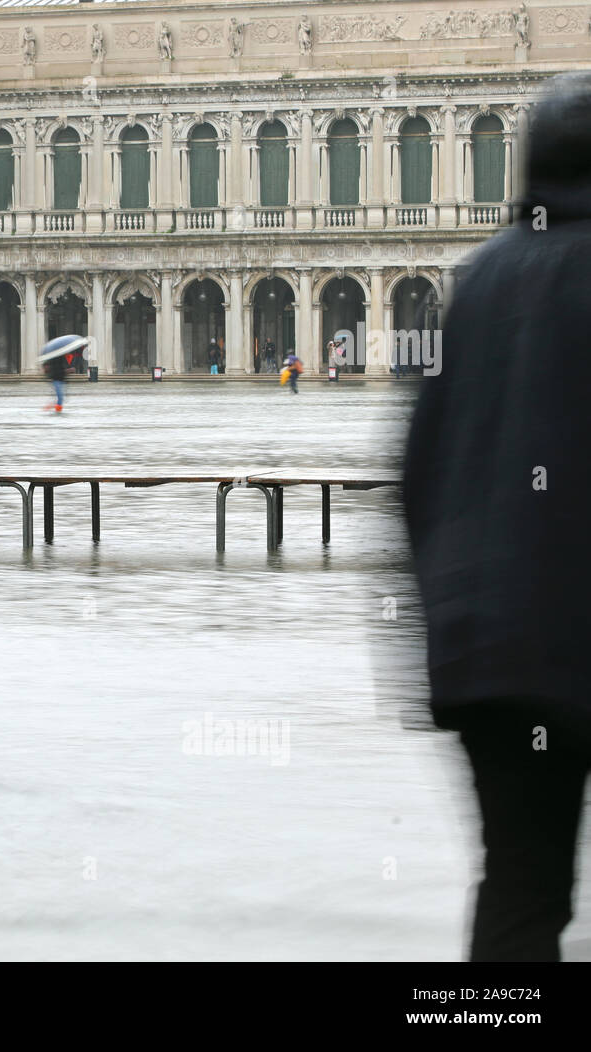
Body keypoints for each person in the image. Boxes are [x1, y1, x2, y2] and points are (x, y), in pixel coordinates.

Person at [403, 73, 591, 961]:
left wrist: (443, 617)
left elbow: (416, 471)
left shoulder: (478, 279)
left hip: (488, 656)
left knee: (517, 886)